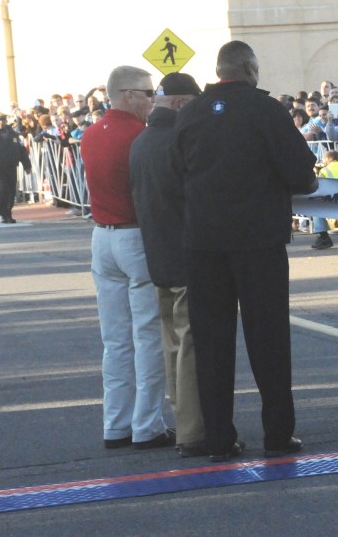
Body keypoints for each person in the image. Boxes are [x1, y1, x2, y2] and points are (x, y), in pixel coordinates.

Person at [173, 41, 318, 462]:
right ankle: (277, 434)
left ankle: (218, 438)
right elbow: (301, 173)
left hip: (203, 242)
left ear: (219, 71)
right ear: (251, 68)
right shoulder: (266, 110)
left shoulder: (191, 113)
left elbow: (177, 172)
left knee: (212, 343)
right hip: (258, 241)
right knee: (268, 339)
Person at [78, 65, 172, 451]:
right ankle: (147, 425)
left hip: (102, 236)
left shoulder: (90, 134)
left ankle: (115, 423)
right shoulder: (139, 136)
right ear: (128, 95)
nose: (153, 100)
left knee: (115, 339)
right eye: (148, 93)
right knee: (147, 336)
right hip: (135, 235)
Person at [128, 72, 206, 458]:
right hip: (187, 253)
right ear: (178, 103)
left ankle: (184, 424)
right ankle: (194, 431)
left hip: (158, 254)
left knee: (173, 344)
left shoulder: (141, 142)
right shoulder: (180, 141)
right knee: (191, 344)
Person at [0, 113, 31, 223]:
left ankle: (8, 213)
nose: (1, 122)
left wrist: (27, 164)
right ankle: (3, 212)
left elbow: (21, 149)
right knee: (2, 190)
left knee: (11, 190)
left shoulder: (12, 134)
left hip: (11, 166)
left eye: (2, 120)